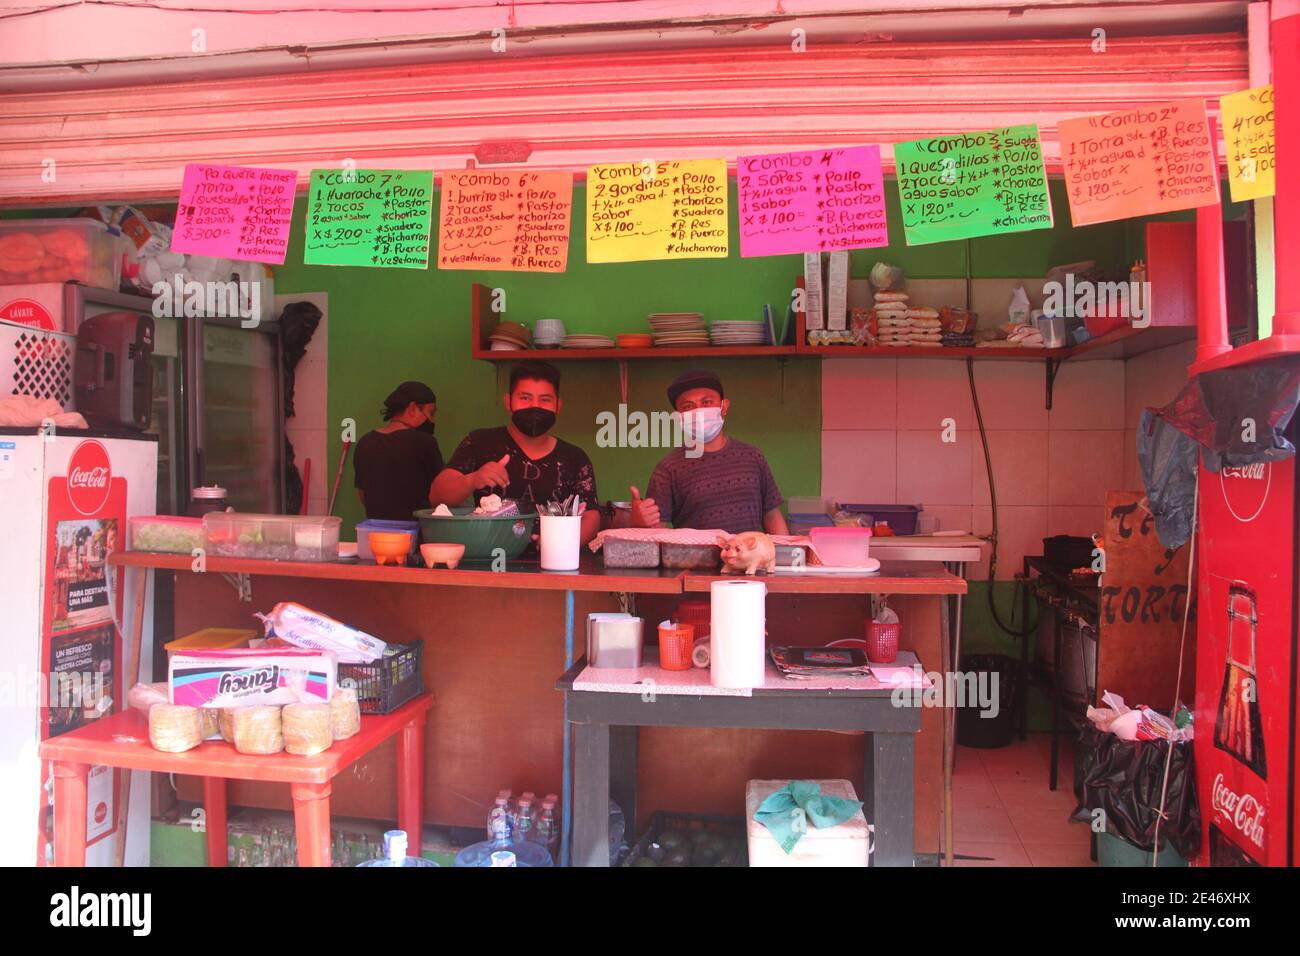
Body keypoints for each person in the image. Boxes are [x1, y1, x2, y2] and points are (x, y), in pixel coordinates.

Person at [431, 360, 601, 544]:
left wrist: (559, 546)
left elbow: (591, 517)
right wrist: (472, 480)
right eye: (525, 398)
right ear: (508, 401)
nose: (534, 406)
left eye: (545, 400)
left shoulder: (575, 458)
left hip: (554, 565)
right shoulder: (480, 442)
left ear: (558, 406)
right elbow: (437, 496)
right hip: (488, 557)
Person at [631, 369, 789, 535]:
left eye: (706, 402)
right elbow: (654, 533)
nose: (698, 411)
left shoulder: (753, 457)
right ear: (679, 418)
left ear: (724, 407)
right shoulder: (668, 469)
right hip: (696, 561)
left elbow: (772, 516)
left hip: (751, 560)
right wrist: (638, 524)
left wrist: (791, 556)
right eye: (688, 406)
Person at [353, 381, 443, 520]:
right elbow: (440, 493)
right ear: (413, 409)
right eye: (431, 413)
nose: (432, 420)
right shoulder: (425, 443)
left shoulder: (365, 442)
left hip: (376, 534)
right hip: (416, 533)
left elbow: (363, 495)